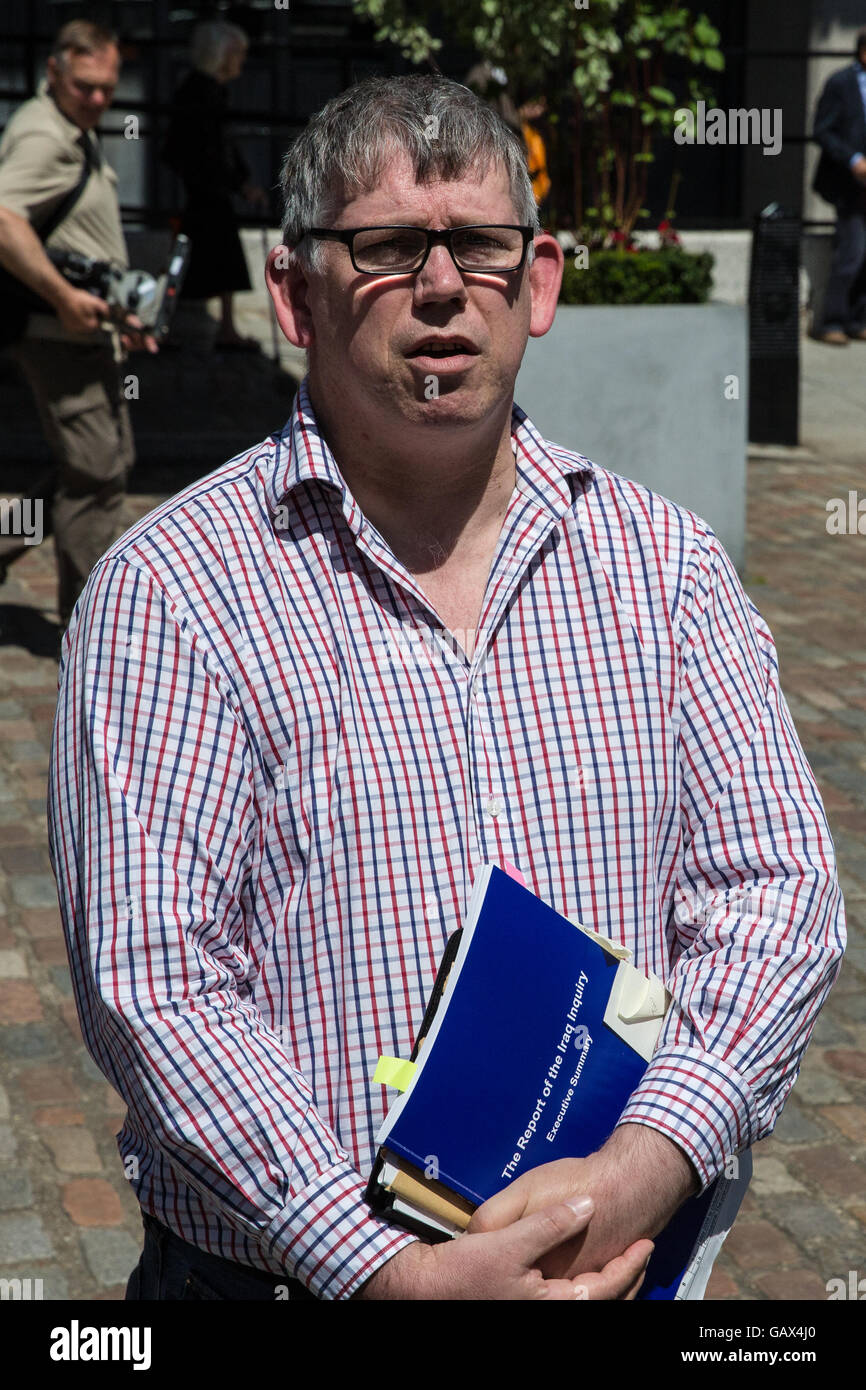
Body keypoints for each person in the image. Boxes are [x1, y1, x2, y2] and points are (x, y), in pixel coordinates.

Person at [48, 73, 845, 1302]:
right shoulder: (174, 594)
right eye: (383, 247)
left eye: (476, 245)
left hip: (611, 1264)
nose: (437, 287)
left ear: (537, 284)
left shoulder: (665, 566)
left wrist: (634, 1172)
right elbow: (158, 981)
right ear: (294, 294)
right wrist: (378, 1271)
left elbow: (775, 889)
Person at [0, 19, 156, 627]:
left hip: (84, 333)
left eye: (107, 88)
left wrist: (118, 316)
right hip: (57, 338)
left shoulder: (72, 129)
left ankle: (7, 543)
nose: (98, 99)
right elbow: (5, 218)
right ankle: (87, 628)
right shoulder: (46, 135)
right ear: (53, 72)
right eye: (85, 86)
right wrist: (63, 297)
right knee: (97, 474)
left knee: (86, 467)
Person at [161, 19, 267, 352]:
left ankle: (212, 327)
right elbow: (209, 148)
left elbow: (221, 147)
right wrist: (237, 182)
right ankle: (215, 329)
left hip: (209, 187)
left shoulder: (206, 90)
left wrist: (239, 181)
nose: (241, 61)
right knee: (212, 256)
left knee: (207, 257)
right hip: (207, 188)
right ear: (220, 54)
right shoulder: (201, 92)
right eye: (237, 53)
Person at [812, 26, 866, 344]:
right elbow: (823, 130)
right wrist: (854, 159)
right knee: (852, 253)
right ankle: (831, 321)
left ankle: (858, 319)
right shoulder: (841, 83)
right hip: (849, 184)